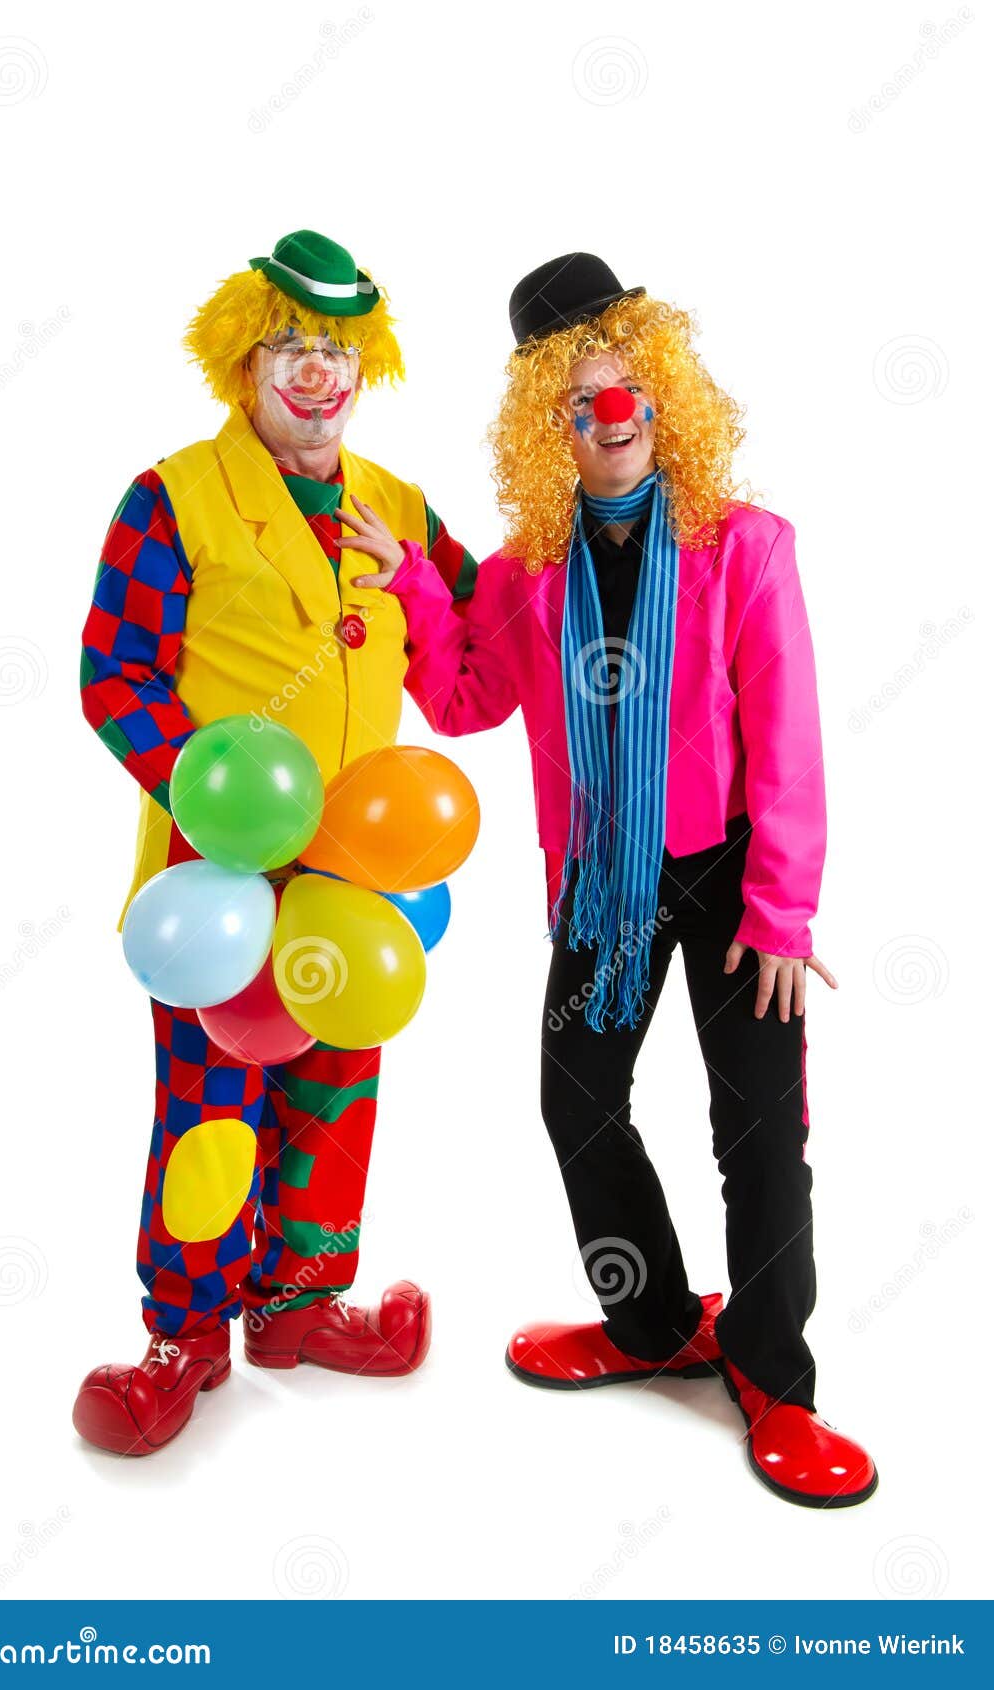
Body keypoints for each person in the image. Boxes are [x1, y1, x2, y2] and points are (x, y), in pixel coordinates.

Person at [339, 252, 878, 1508]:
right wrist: (416, 583)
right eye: (579, 402)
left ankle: (772, 1376)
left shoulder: (742, 548)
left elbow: (787, 738)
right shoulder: (529, 575)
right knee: (575, 1101)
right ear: (551, 425)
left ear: (662, 397)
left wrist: (782, 913)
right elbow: (467, 696)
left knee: (760, 1137)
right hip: (602, 887)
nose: (610, 418)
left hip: (736, 878)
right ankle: (653, 1326)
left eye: (625, 390)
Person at [73, 230, 477, 1455]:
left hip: (360, 881)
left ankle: (299, 1309)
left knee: (335, 1091)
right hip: (221, 884)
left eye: (338, 349)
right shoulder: (174, 494)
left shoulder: (398, 507)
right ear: (242, 363)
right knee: (211, 1103)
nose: (316, 371)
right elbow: (115, 673)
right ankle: (183, 1337)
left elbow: (475, 643)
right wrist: (208, 797)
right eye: (290, 346)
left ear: (368, 366)